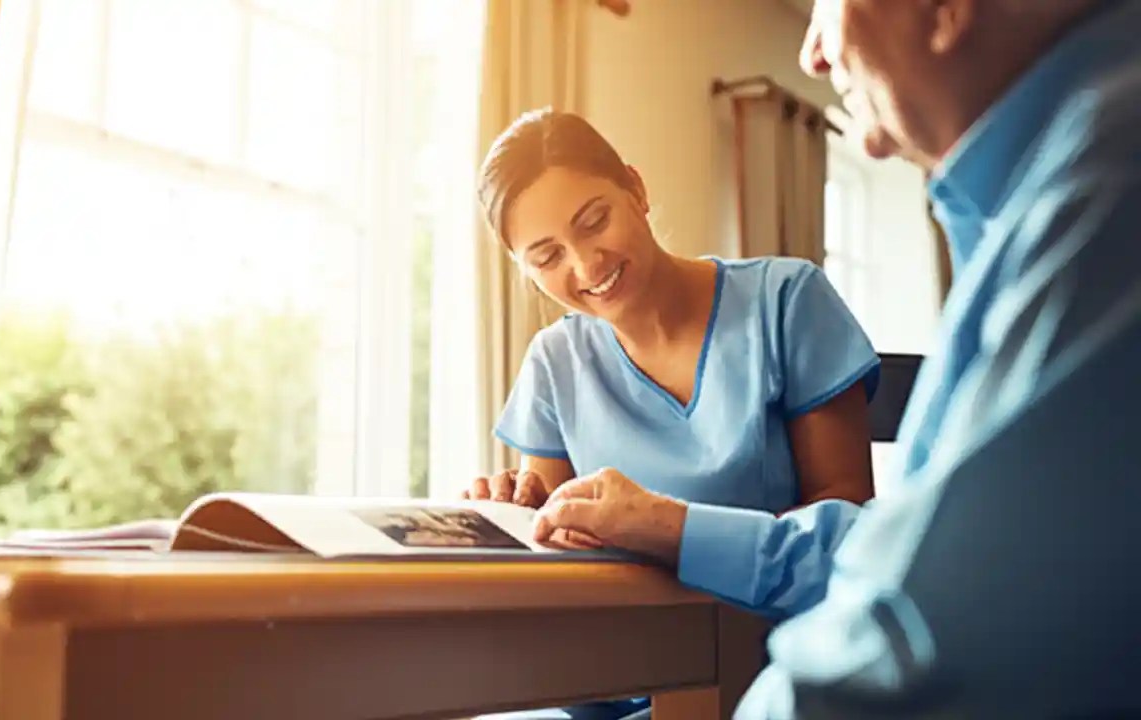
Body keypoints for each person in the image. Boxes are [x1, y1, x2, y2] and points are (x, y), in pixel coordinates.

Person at [725, 0, 1141, 717]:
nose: (814, 56)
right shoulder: (1038, 190)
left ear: (944, 10)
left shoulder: (1110, 182)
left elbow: (919, 650)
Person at [470, 109, 880, 720]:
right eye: (547, 255)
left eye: (594, 221)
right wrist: (522, 509)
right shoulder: (555, 361)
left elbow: (847, 532)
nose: (586, 267)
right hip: (609, 678)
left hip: (760, 668)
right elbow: (558, 564)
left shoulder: (785, 302)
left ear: (636, 188)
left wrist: (666, 529)